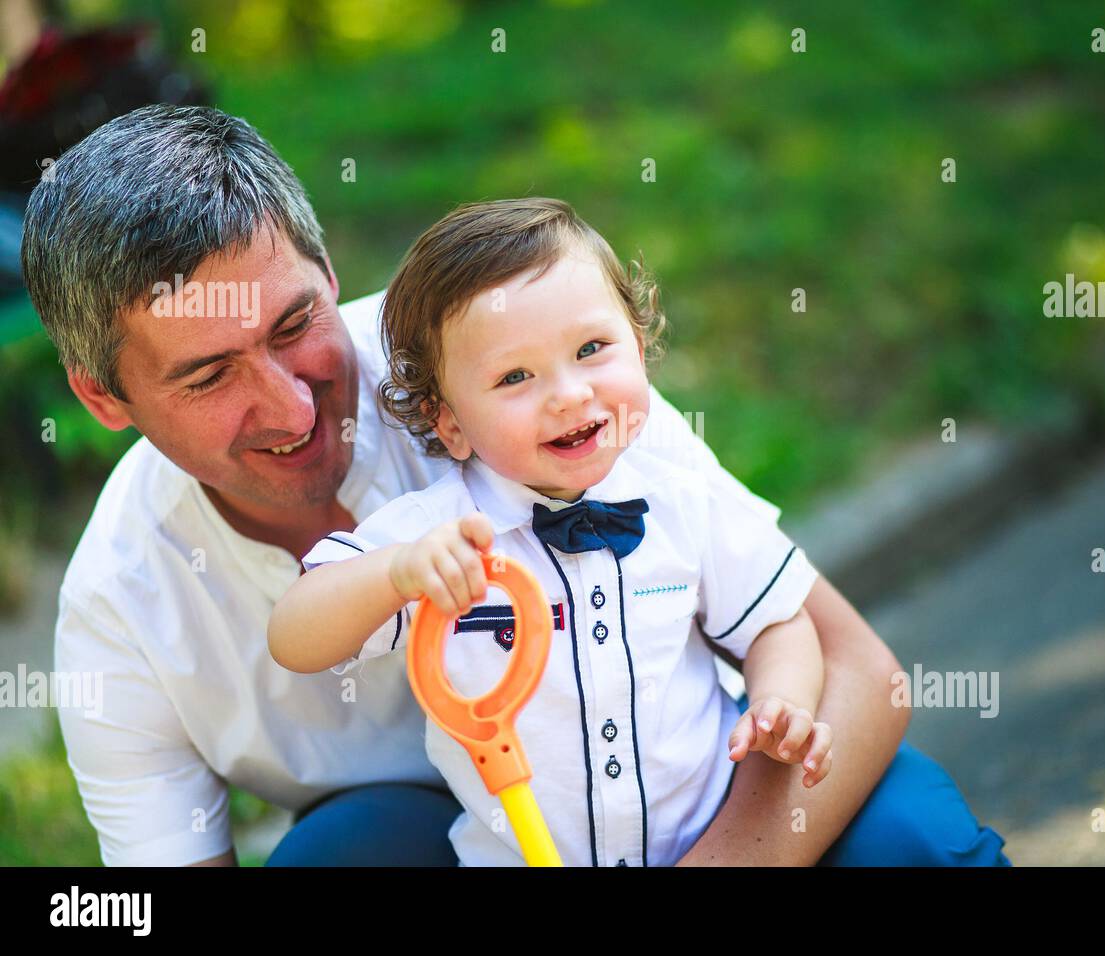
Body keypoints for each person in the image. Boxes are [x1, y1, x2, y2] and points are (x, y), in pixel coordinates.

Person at [22, 103, 1010, 866]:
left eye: (294, 326)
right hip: (445, 847)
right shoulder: (121, 606)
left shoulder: (522, 366)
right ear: (104, 396)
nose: (289, 405)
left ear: (327, 270)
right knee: (345, 850)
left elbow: (859, 672)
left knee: (906, 839)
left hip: (689, 808)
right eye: (206, 375)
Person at [269, 198, 834, 866]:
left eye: (591, 349)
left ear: (639, 337)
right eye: (515, 377)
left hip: (712, 841)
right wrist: (395, 573)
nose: (568, 394)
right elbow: (294, 636)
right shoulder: (438, 539)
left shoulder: (681, 495)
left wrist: (780, 702)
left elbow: (778, 621)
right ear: (448, 422)